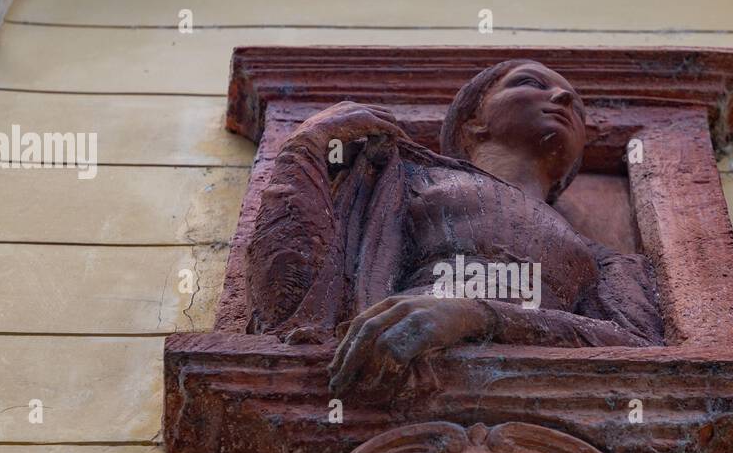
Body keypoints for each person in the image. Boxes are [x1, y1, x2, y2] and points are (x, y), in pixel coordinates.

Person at [245, 59, 663, 400]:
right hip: (388, 369)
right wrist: (307, 149)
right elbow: (287, 304)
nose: (564, 97)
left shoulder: (602, 258)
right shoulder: (398, 180)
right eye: (530, 82)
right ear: (472, 124)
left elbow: (636, 349)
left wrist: (476, 317)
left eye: (578, 109)